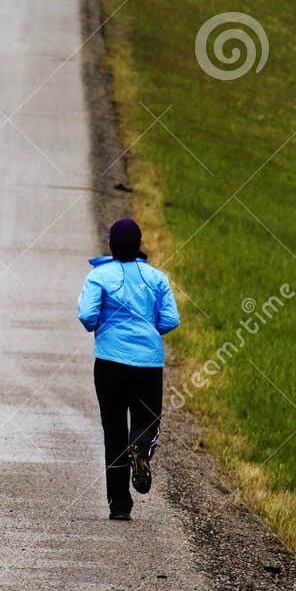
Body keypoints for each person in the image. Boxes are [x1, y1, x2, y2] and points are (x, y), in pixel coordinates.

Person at [77, 217, 180, 521]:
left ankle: (120, 505)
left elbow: (87, 316)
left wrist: (102, 327)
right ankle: (142, 446)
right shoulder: (157, 278)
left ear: (111, 245)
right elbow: (171, 319)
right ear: (139, 245)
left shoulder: (99, 276)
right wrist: (148, 331)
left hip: (109, 362)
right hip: (148, 363)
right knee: (147, 419)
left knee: (113, 431)